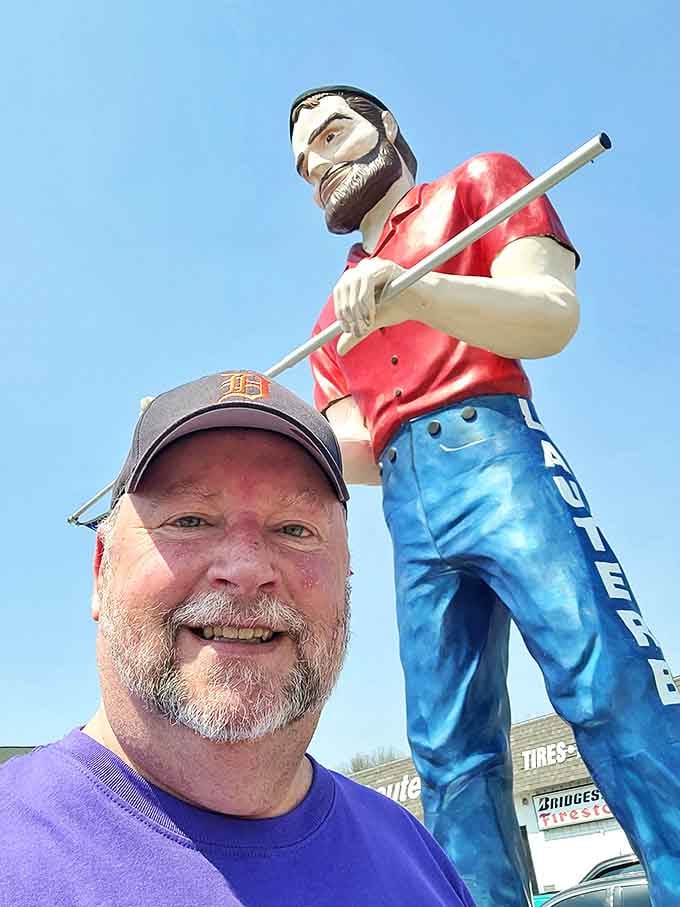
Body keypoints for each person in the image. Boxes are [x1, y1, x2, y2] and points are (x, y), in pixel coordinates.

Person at [289, 84, 680, 907]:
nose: (317, 163)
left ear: (387, 125)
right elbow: (356, 448)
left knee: (602, 672)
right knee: (447, 747)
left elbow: (551, 314)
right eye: (303, 160)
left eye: (331, 133)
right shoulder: (331, 315)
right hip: (407, 504)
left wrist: (417, 292)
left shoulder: (479, 185)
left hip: (496, 457)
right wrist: (257, 417)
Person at [0, 370, 475, 907]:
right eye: (190, 520)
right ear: (101, 570)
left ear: (347, 575)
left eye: (294, 529)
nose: (247, 570)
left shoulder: (418, 860)